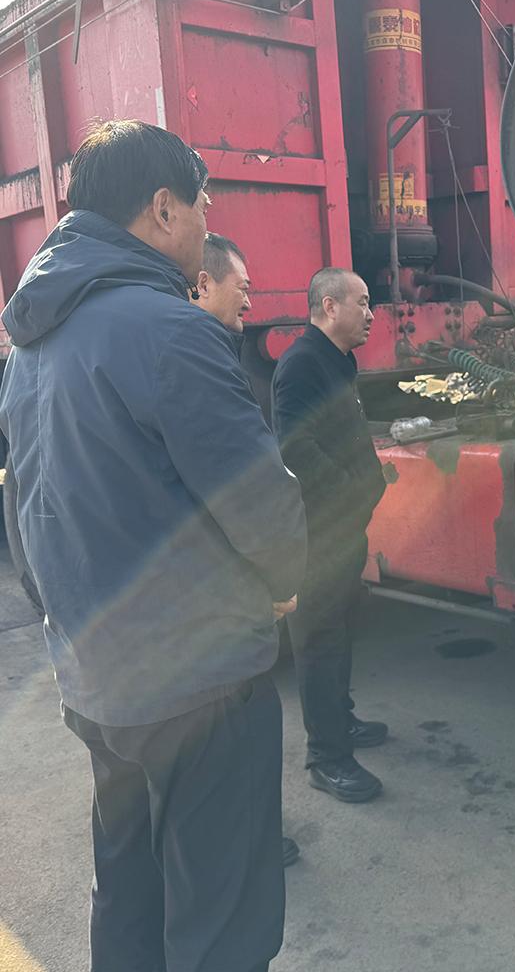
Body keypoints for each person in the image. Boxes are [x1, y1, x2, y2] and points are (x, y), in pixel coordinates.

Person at [0, 120, 307, 972]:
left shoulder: (29, 344)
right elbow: (259, 501)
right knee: (220, 922)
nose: (208, 227)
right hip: (198, 687)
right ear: (163, 208)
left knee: (129, 898)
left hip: (95, 679)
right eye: (203, 206)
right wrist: (284, 582)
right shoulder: (171, 329)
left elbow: (27, 509)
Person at [188, 231, 301, 869]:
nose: (250, 303)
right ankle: (247, 847)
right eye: (243, 288)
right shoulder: (196, 360)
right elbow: (256, 491)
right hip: (217, 611)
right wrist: (279, 583)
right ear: (203, 284)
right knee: (237, 730)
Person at [272, 268, 388, 803]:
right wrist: (349, 494)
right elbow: (295, 447)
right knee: (318, 642)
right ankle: (327, 758)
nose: (371, 314)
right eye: (361, 302)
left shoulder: (338, 360)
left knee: (341, 632)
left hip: (345, 529)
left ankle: (341, 721)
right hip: (319, 534)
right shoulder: (301, 364)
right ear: (328, 306)